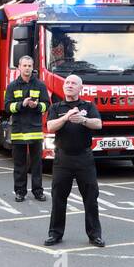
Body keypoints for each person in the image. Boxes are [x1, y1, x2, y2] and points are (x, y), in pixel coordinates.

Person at [44, 75, 104, 248]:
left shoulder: (88, 106)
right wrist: (66, 118)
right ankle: (55, 234)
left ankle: (95, 235)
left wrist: (83, 120)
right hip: (63, 158)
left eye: (73, 84)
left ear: (80, 88)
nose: (69, 86)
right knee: (58, 198)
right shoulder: (56, 107)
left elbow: (98, 124)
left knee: (91, 198)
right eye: (67, 83)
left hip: (84, 158)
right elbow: (50, 126)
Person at [5, 55, 50, 202]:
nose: (27, 68)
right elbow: (7, 107)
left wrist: (37, 105)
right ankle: (20, 192)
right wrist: (21, 105)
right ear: (19, 67)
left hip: (35, 130)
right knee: (20, 165)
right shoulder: (12, 86)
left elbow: (47, 105)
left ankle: (38, 191)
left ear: (33, 68)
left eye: (30, 66)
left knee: (37, 164)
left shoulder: (40, 85)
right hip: (18, 131)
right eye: (24, 66)